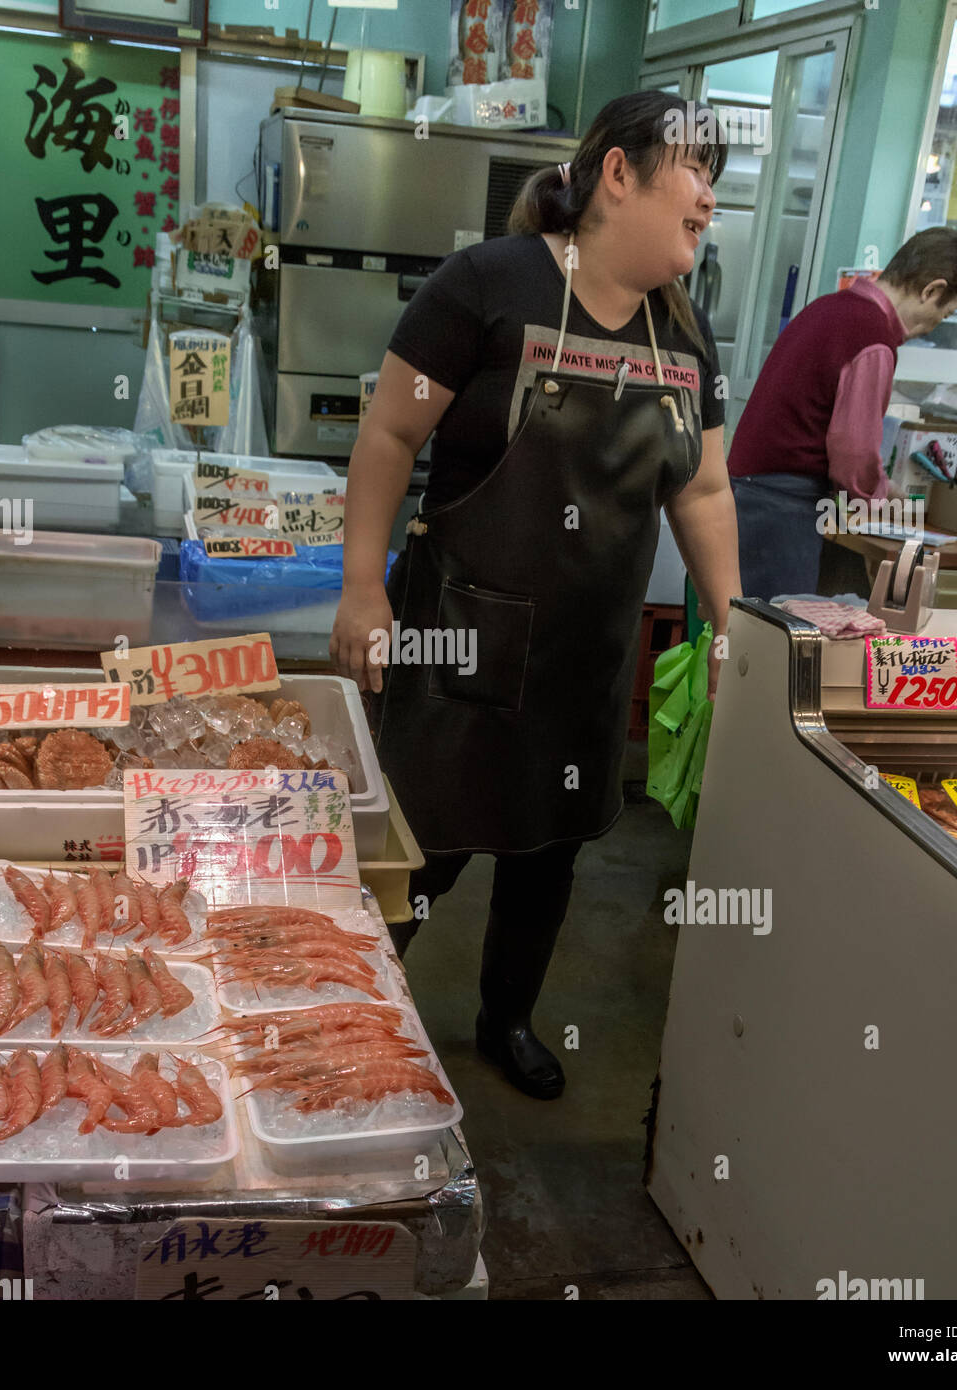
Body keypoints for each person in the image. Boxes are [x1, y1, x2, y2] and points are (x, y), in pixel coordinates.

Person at [328, 92, 741, 1101]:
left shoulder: (684, 338)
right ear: (617, 174)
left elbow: (704, 488)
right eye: (695, 175)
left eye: (717, 187)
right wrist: (359, 591)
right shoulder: (486, 287)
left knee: (550, 856)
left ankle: (506, 1019)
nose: (709, 203)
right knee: (425, 850)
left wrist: (737, 626)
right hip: (459, 639)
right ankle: (341, 1012)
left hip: (585, 659)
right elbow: (388, 436)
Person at [729, 227, 957, 601]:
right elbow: (853, 451)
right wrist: (883, 498)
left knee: (738, 634)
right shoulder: (872, 336)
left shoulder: (829, 307)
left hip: (744, 493)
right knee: (777, 641)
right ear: (931, 291)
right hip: (779, 507)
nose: (931, 327)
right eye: (942, 315)